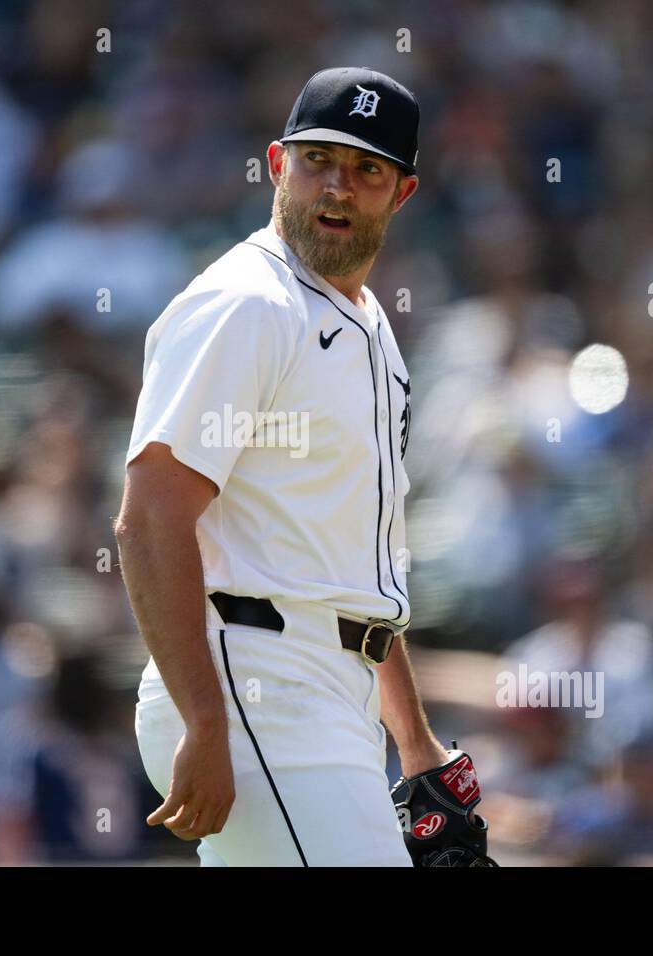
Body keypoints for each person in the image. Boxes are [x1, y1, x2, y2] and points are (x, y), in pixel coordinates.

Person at [116, 67, 471, 865]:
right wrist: (206, 722)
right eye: (319, 161)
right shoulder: (249, 304)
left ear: (401, 193)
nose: (337, 188)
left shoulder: (371, 327)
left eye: (366, 170)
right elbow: (149, 516)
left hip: (329, 694)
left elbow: (354, 570)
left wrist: (413, 739)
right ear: (278, 165)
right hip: (252, 683)